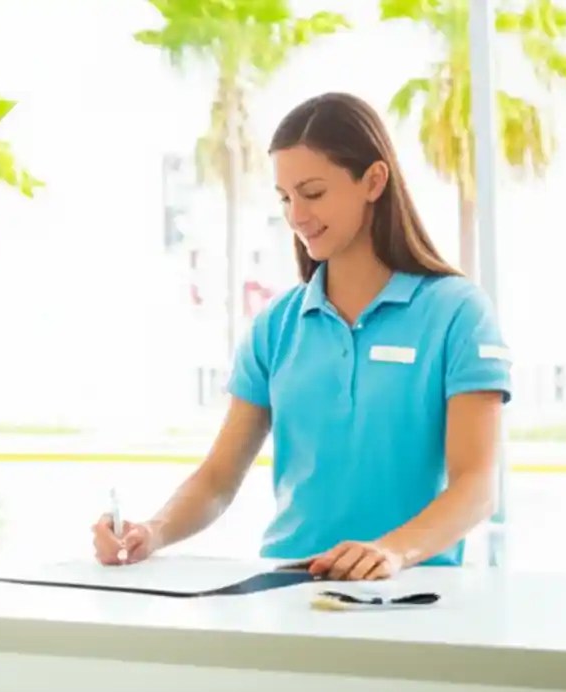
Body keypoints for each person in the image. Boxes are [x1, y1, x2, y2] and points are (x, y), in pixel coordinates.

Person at [93, 92, 511, 581]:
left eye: (312, 193)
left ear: (374, 181)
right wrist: (151, 532)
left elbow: (476, 486)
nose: (296, 215)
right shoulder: (276, 326)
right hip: (289, 589)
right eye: (285, 197)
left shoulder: (458, 313)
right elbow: (217, 480)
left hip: (411, 592)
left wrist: (391, 552)